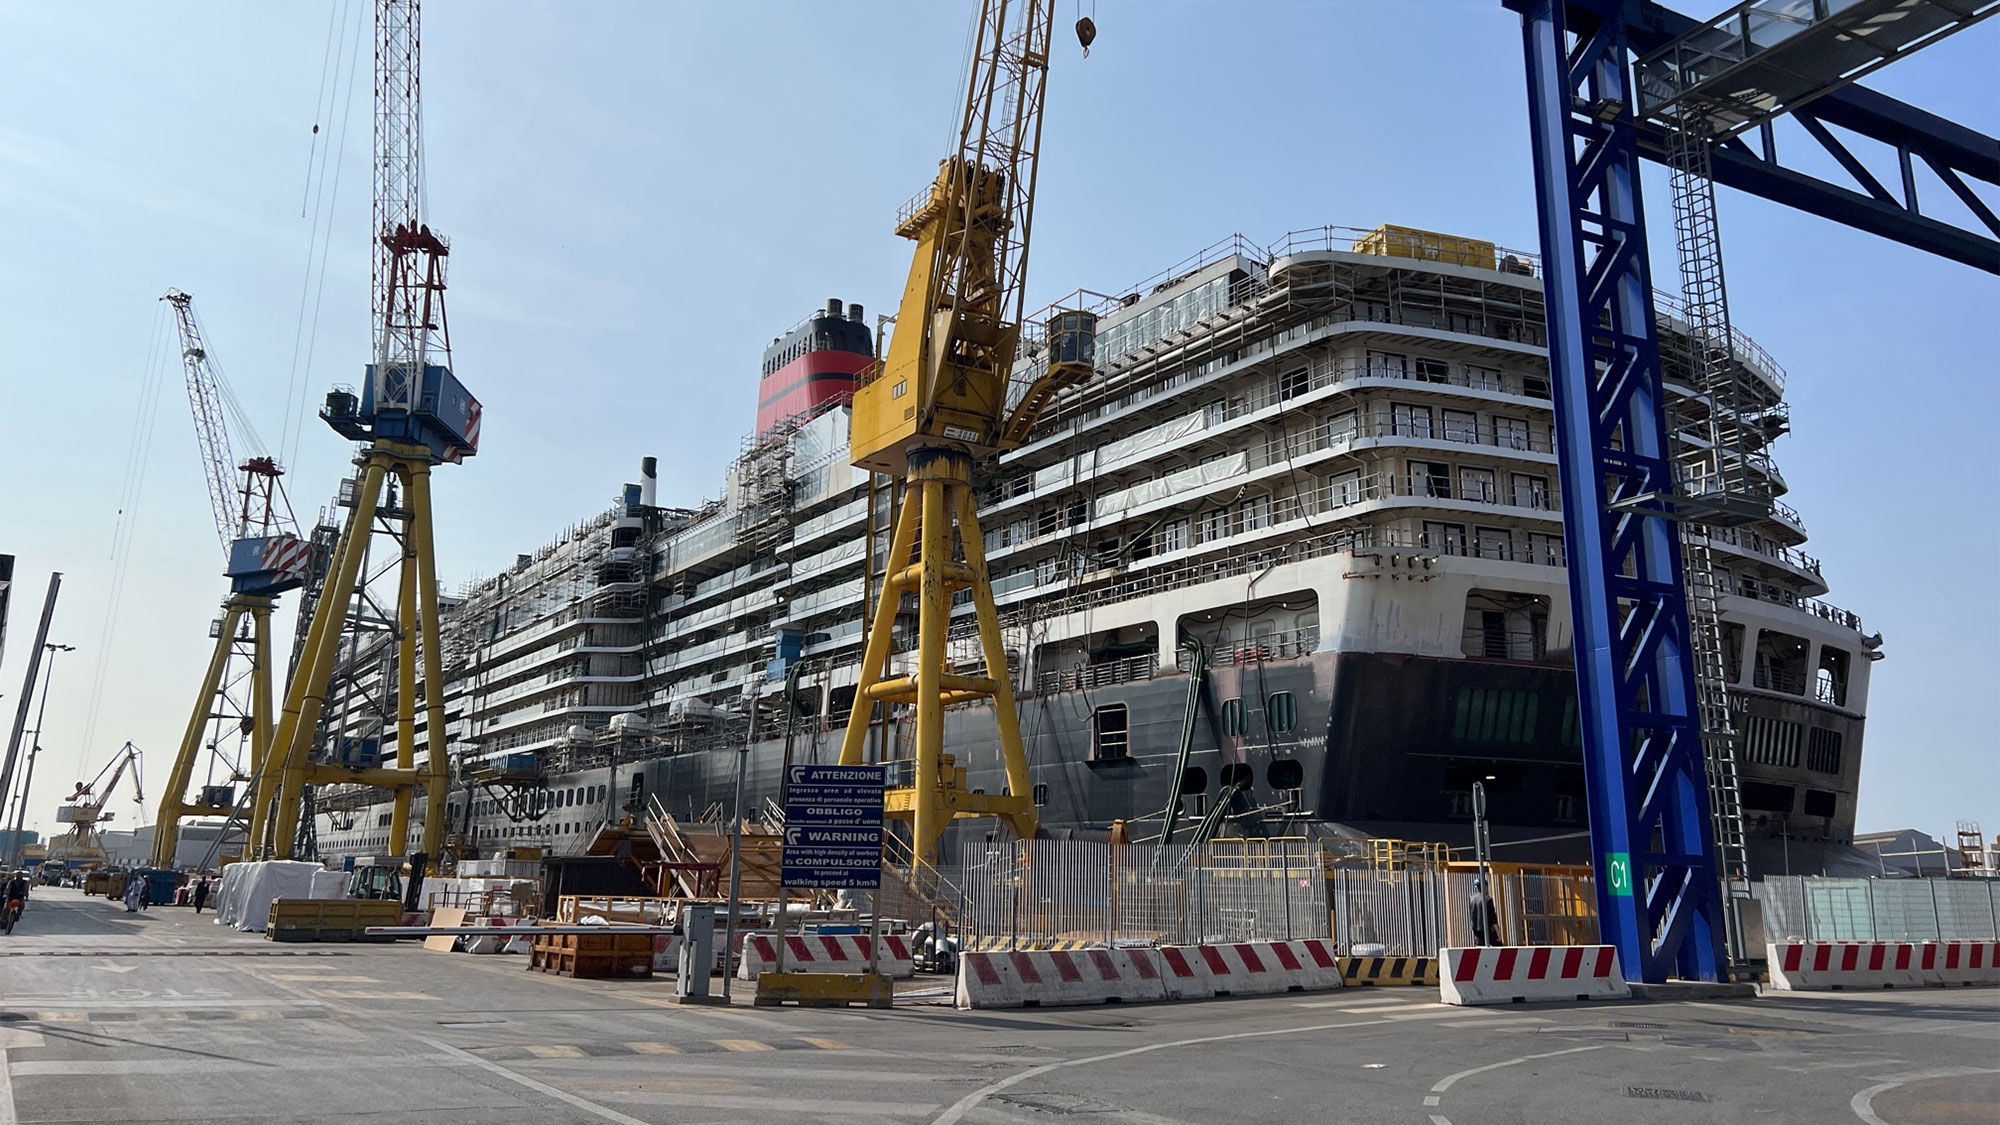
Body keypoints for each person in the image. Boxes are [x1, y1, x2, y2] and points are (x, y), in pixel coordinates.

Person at [1468, 876, 1501, 946]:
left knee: (1481, 951)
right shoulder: (1487, 899)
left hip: (1476, 931)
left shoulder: (1472, 899)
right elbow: (1493, 918)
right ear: (1485, 886)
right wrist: (1498, 933)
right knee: (1499, 948)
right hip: (1488, 930)